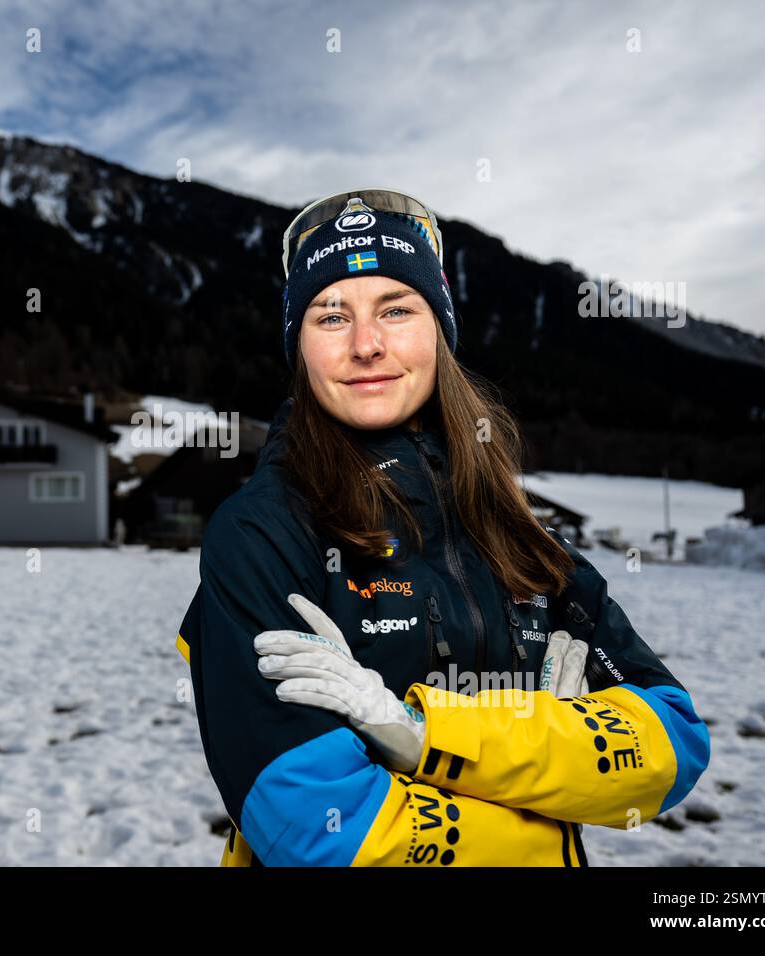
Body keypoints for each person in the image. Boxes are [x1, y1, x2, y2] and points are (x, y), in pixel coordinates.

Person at [174, 190, 710, 867]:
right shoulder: (259, 533)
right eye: (330, 315)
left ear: (439, 329)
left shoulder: (515, 533)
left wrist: (423, 735)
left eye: (397, 310)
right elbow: (316, 830)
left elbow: (674, 745)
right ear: (300, 346)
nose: (367, 345)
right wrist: (547, 775)